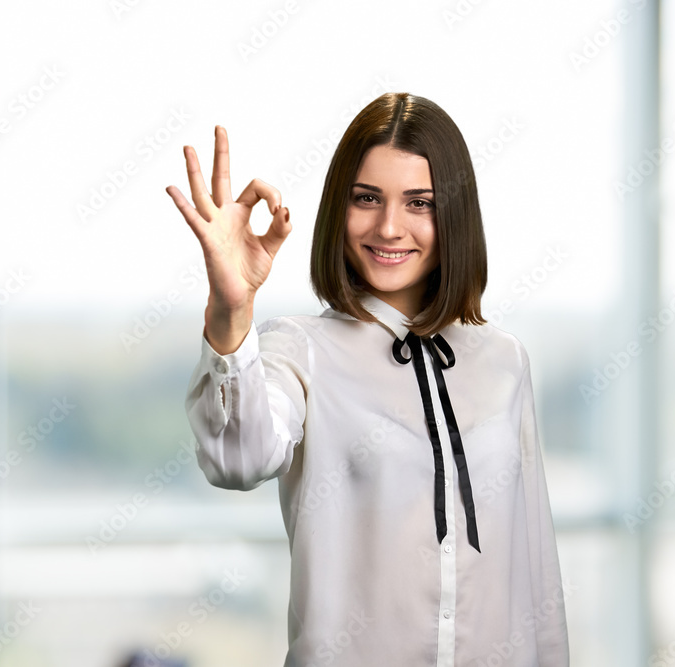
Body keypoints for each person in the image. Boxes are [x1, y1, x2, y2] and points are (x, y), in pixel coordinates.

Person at [167, 92, 569, 666]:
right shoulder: (299, 350)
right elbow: (237, 460)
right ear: (340, 207)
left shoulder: (505, 360)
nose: (388, 226)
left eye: (419, 202)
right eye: (367, 198)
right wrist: (231, 313)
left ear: (454, 213)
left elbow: (537, 576)